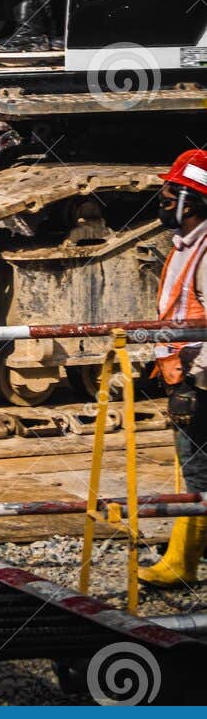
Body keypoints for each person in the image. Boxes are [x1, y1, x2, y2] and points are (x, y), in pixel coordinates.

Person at [140, 148, 207, 588]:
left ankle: (180, 563)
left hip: (201, 382)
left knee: (198, 472)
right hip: (188, 377)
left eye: (172, 192)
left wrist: (197, 385)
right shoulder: (188, 245)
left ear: (194, 201)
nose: (163, 199)